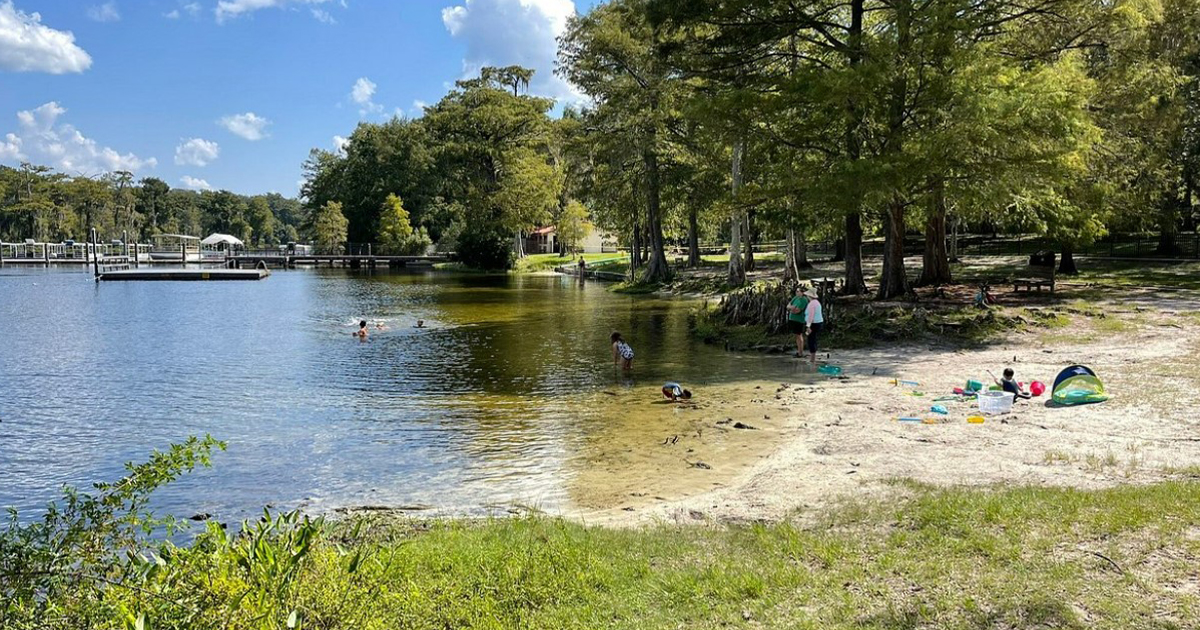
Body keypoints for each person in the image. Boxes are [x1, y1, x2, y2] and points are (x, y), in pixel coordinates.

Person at [785, 285, 810, 358]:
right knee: (796, 335)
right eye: (796, 291)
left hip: (799, 320)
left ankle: (800, 352)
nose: (797, 293)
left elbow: (798, 311)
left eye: (798, 291)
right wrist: (792, 308)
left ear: (802, 293)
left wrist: (792, 308)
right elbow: (788, 306)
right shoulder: (795, 298)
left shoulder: (804, 300)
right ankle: (799, 351)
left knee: (799, 335)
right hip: (793, 319)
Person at [804, 289, 823, 366]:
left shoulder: (811, 304)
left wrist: (808, 326)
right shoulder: (817, 303)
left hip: (814, 323)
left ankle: (812, 359)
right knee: (813, 339)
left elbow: (811, 315)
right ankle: (813, 357)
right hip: (818, 322)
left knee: (811, 340)